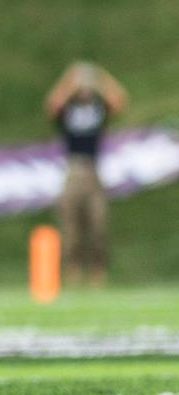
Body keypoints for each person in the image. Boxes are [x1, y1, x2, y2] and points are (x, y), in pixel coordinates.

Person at [46, 62, 129, 287]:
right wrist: (70, 79)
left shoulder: (97, 106)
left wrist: (100, 77)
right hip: (73, 169)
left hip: (93, 170)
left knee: (98, 225)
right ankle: (72, 272)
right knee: (70, 225)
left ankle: (97, 273)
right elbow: (52, 104)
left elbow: (119, 99)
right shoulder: (69, 107)